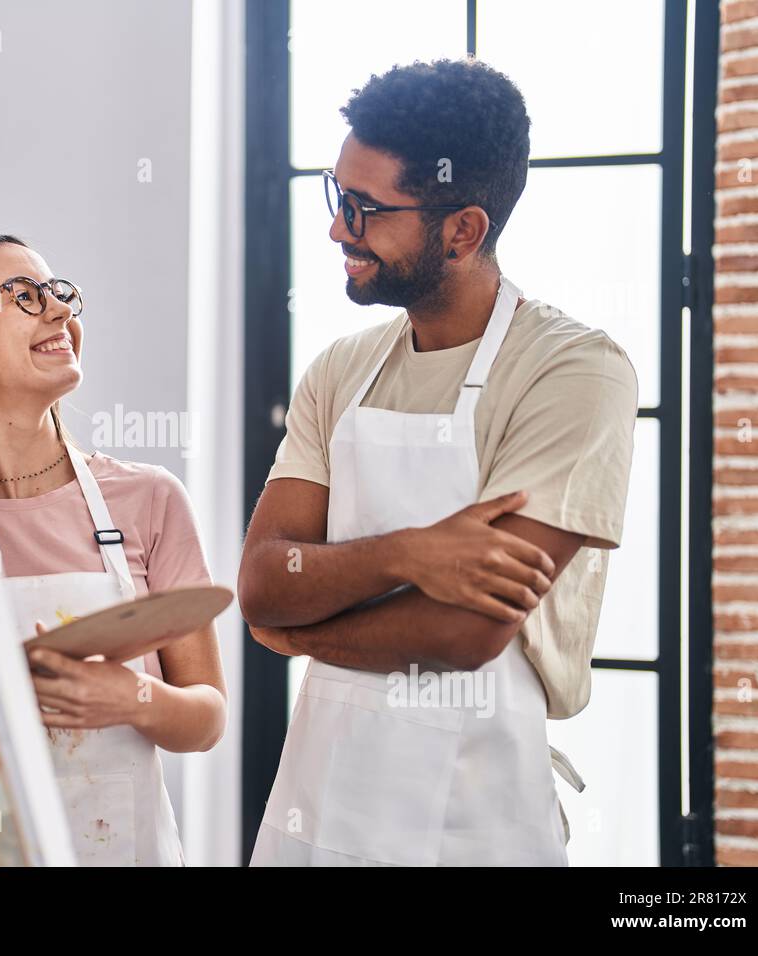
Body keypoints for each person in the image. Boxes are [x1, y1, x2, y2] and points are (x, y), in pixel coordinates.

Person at [239, 59, 638, 866]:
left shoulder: (573, 372)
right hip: (318, 803)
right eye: (336, 195)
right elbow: (260, 583)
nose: (337, 228)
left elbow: (465, 632)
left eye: (366, 209)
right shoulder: (340, 370)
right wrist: (408, 554)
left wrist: (299, 621)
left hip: (474, 819)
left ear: (462, 229)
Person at [0, 234, 226, 866]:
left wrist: (132, 699)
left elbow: (207, 718)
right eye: (21, 295)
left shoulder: (149, 499)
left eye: (59, 293)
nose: (59, 311)